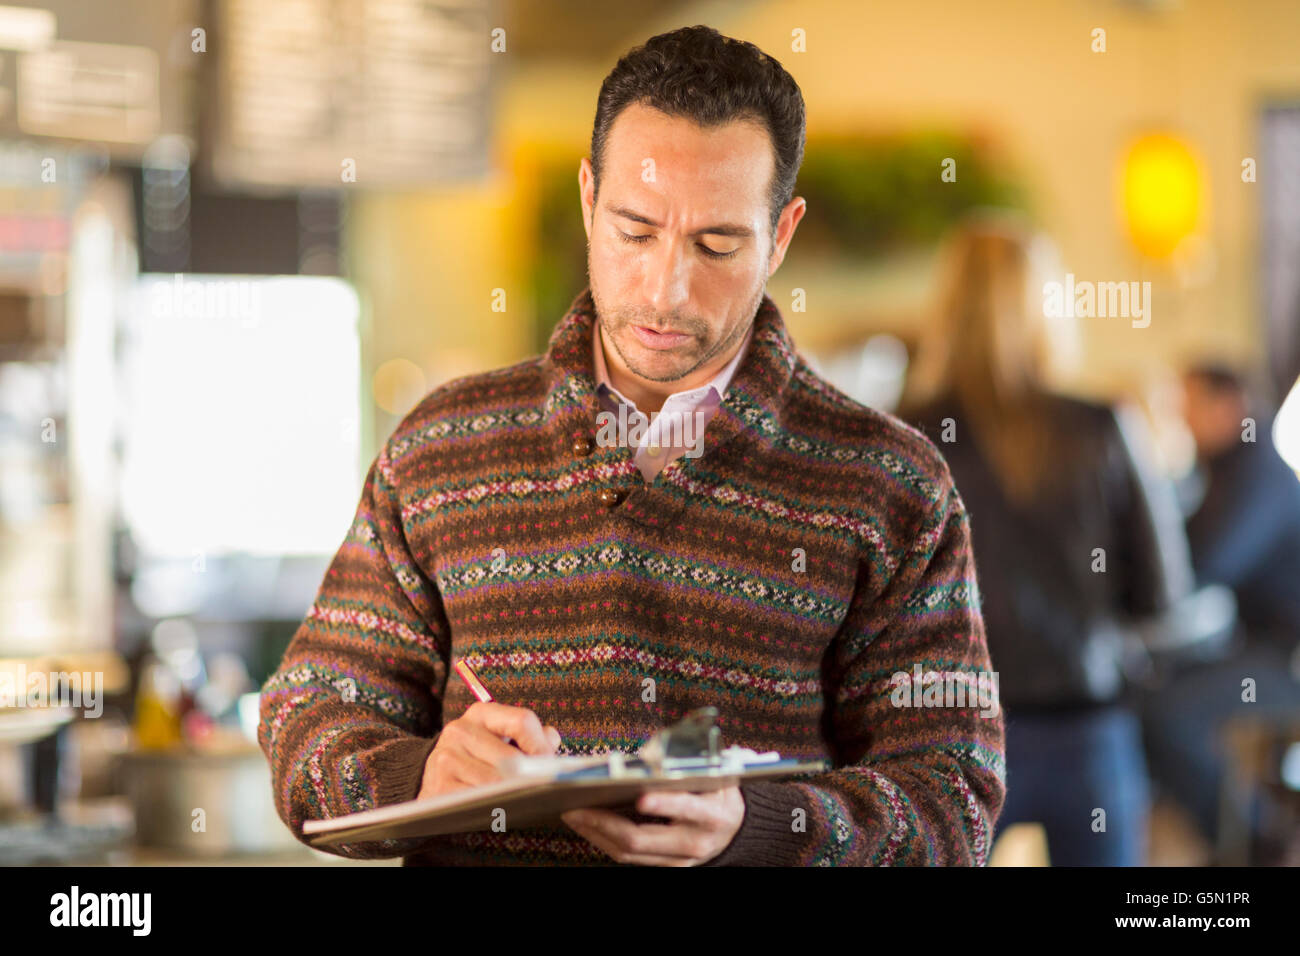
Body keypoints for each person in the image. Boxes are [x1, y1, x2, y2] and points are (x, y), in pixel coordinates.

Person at [258, 25, 1005, 866]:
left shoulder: (891, 483)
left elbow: (953, 799)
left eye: (715, 245)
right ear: (588, 199)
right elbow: (305, 714)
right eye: (634, 230)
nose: (664, 287)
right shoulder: (441, 447)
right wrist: (419, 773)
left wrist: (757, 829)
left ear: (782, 234)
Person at [900, 219, 1191, 865]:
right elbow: (1163, 595)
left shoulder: (903, 437)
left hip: (948, 735)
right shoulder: (1103, 427)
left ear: (947, 308)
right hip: (1083, 724)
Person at [1139, 362, 1300, 861]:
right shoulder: (1228, 468)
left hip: (1287, 661)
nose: (1182, 421)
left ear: (1228, 405)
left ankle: (1258, 842)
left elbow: (1207, 561)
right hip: (1259, 646)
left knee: (1165, 713)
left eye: (1189, 407)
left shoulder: (1259, 474)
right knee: (1145, 685)